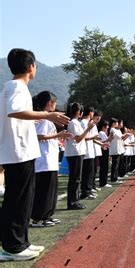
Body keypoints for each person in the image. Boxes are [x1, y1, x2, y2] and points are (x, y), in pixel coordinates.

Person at [0, 49, 69, 261]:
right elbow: (14, 111)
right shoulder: (16, 87)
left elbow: (16, 115)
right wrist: (48, 114)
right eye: (36, 65)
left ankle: (20, 243)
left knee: (22, 199)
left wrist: (36, 118)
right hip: (18, 152)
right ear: (31, 67)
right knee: (18, 200)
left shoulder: (12, 87)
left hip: (19, 151)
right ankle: (13, 247)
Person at [31, 91, 72, 228]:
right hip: (44, 160)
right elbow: (38, 136)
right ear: (49, 103)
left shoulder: (47, 119)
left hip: (50, 160)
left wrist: (59, 135)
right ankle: (38, 218)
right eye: (54, 103)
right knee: (44, 190)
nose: (55, 105)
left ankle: (47, 215)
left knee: (50, 190)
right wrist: (57, 135)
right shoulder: (43, 119)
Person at [65, 102, 95, 210]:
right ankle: (73, 202)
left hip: (76, 152)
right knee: (75, 178)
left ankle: (75, 200)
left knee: (77, 178)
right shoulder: (73, 123)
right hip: (75, 153)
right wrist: (88, 128)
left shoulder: (74, 122)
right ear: (78, 112)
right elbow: (78, 138)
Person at [80, 106, 97, 200]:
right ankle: (85, 192)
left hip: (90, 151)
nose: (93, 115)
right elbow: (83, 137)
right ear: (90, 113)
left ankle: (88, 191)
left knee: (90, 173)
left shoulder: (88, 122)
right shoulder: (83, 122)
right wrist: (93, 137)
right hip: (86, 151)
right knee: (86, 173)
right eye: (93, 113)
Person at [109, 118, 126, 184]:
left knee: (117, 164)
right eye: (116, 123)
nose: (117, 124)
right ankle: (113, 178)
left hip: (118, 149)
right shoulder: (112, 129)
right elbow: (120, 136)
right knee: (115, 165)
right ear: (113, 123)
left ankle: (116, 177)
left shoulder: (116, 129)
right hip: (115, 149)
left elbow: (121, 137)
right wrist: (126, 134)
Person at [98, 120, 112, 188]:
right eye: (107, 126)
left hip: (105, 150)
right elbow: (103, 141)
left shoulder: (103, 133)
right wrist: (110, 137)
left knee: (105, 167)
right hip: (103, 151)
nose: (108, 127)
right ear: (104, 126)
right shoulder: (101, 133)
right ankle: (103, 182)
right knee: (104, 167)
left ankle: (104, 182)